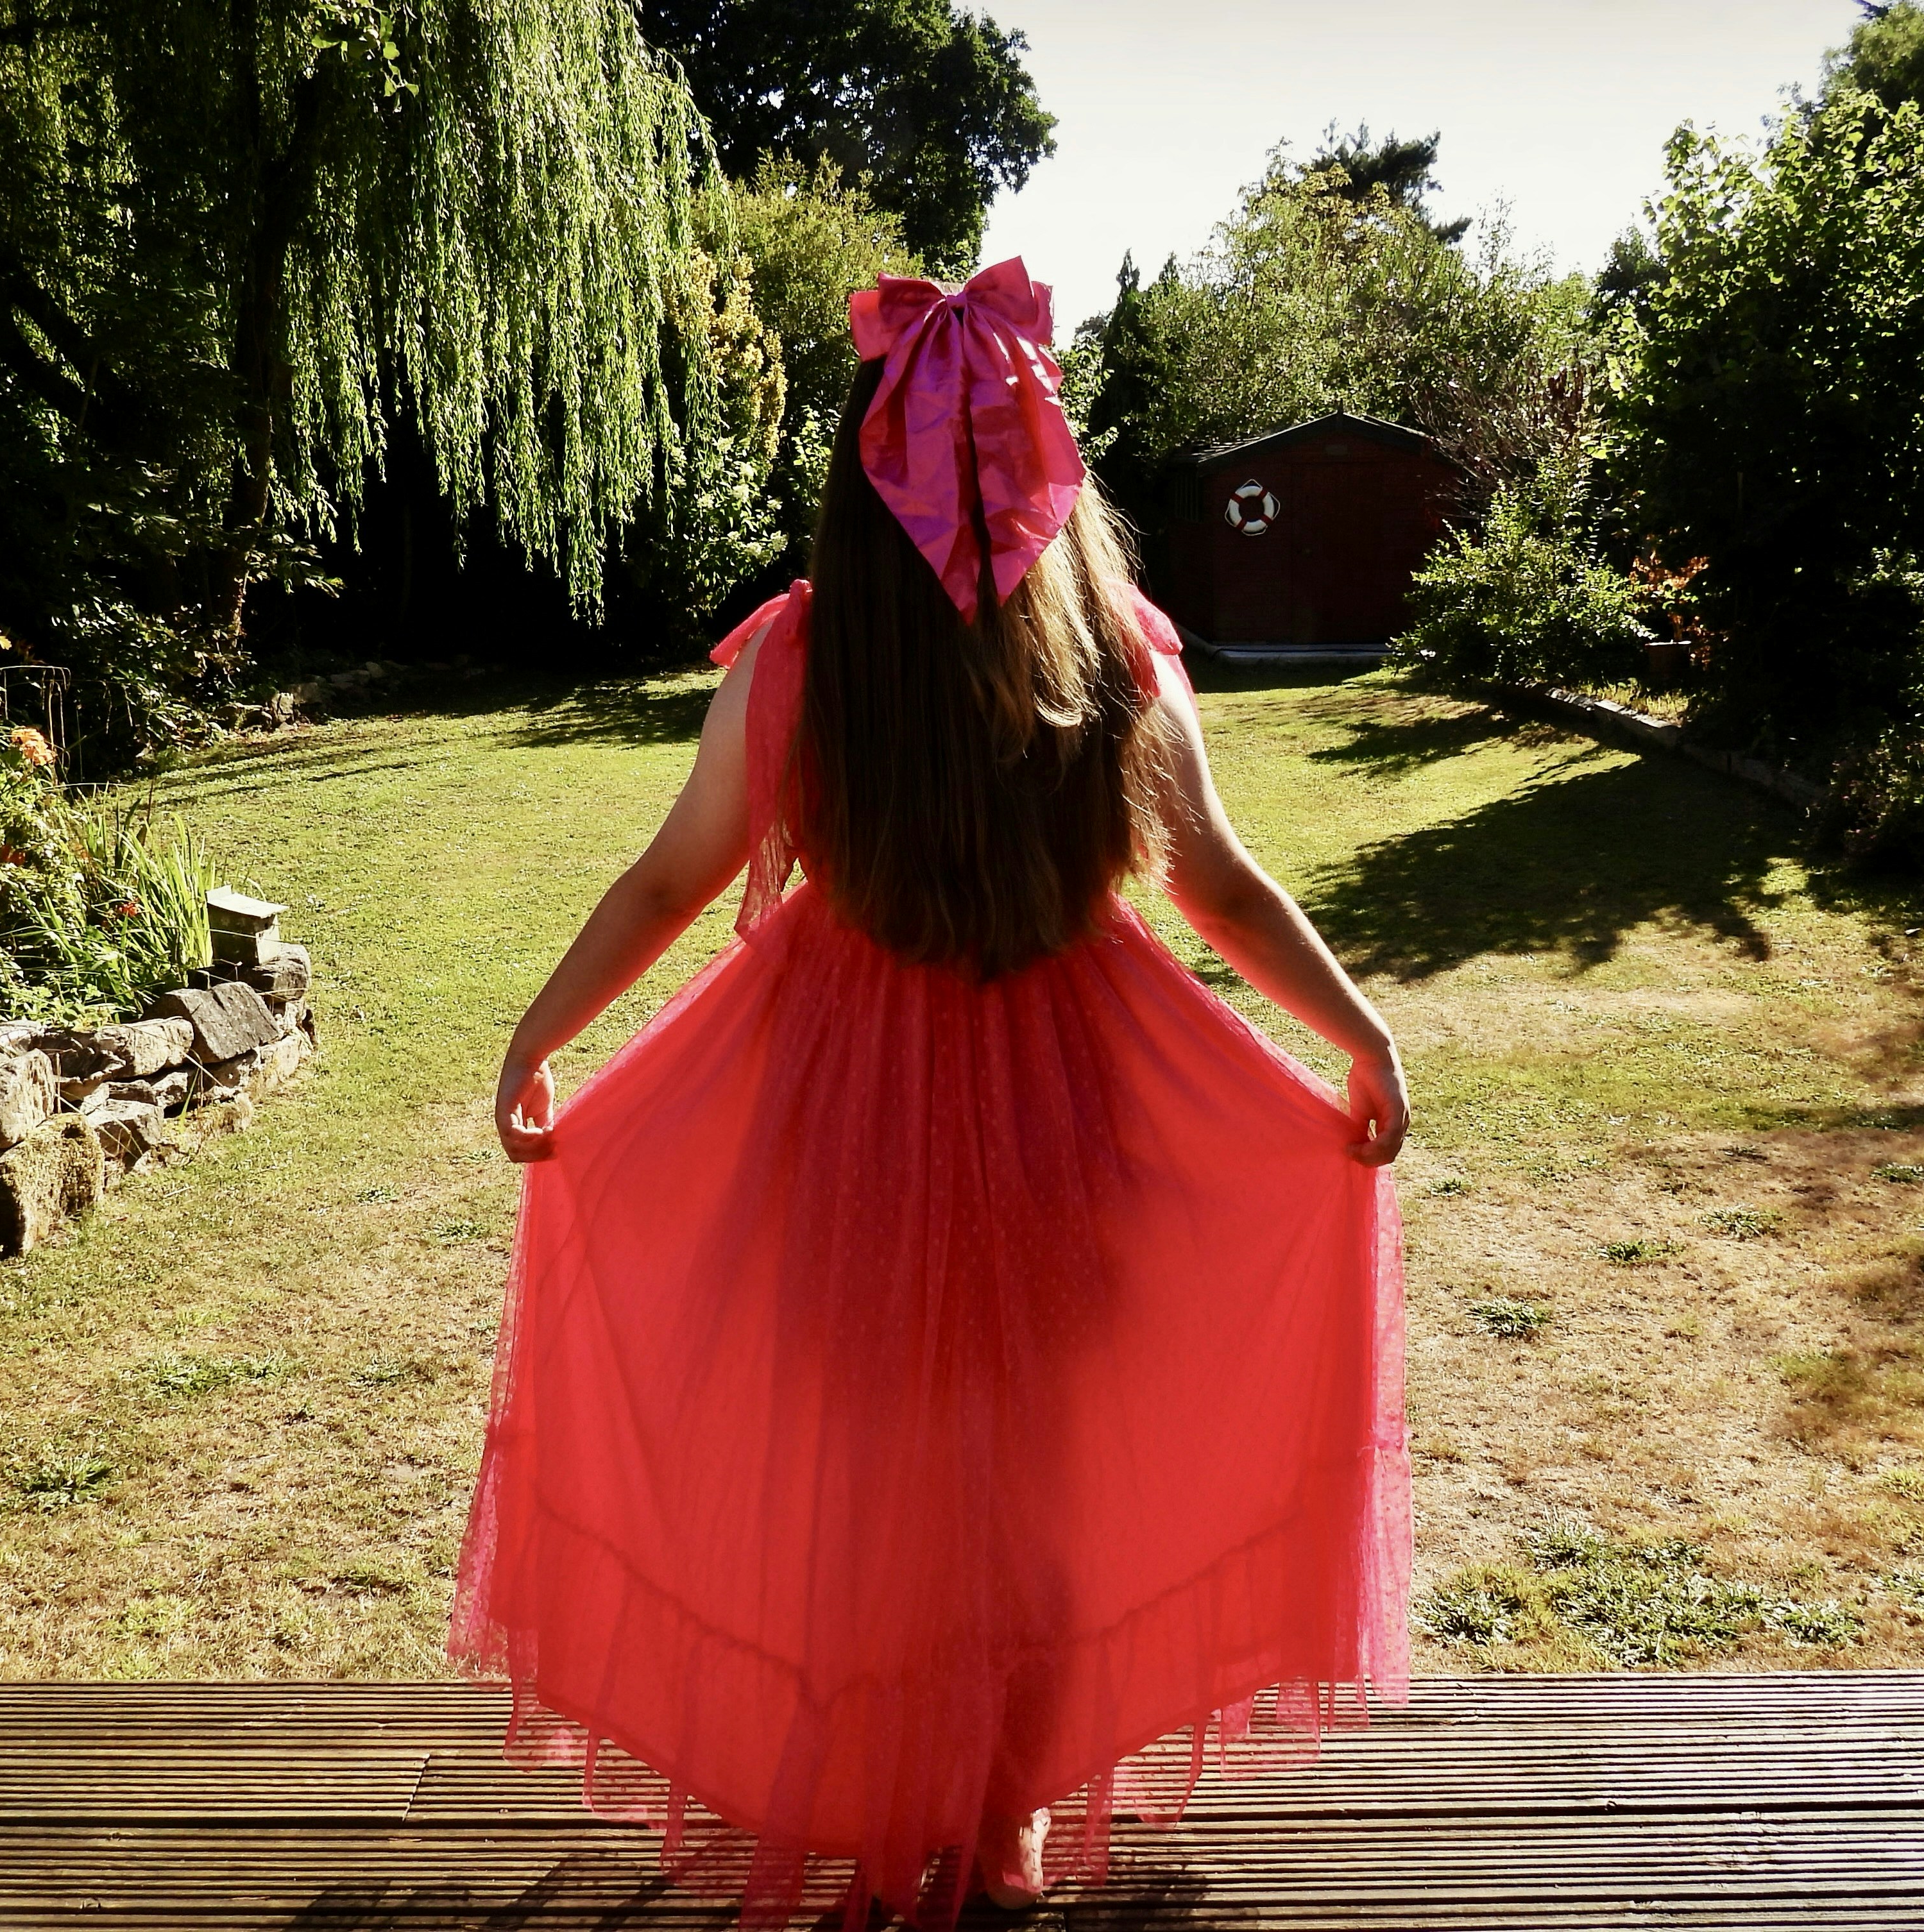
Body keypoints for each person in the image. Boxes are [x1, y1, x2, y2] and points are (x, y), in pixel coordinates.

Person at [452, 260, 1411, 1931]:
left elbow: (672, 881)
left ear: (858, 474)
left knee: (883, 1469)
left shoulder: (801, 663)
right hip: (1074, 1112)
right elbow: (1226, 892)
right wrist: (1358, 1035)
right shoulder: (1121, 654)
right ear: (1052, 468)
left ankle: (898, 1789)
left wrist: (547, 1030)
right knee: (1029, 1478)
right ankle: (1007, 1811)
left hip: (843, 1114)